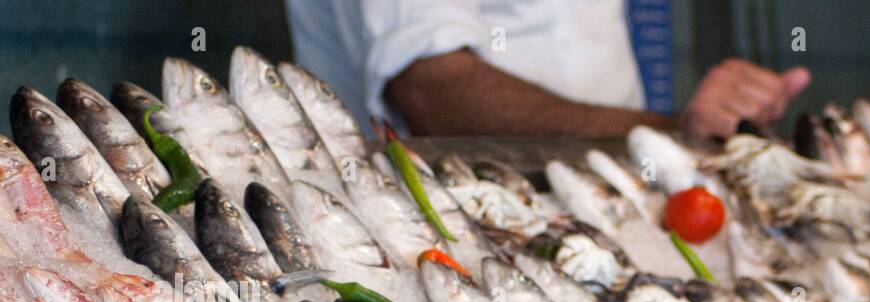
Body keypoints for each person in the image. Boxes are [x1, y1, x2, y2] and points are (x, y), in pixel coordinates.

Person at [285, 0, 811, 140]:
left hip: (614, 203)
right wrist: (670, 130)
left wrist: (718, 117)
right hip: (449, 229)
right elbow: (432, 91)